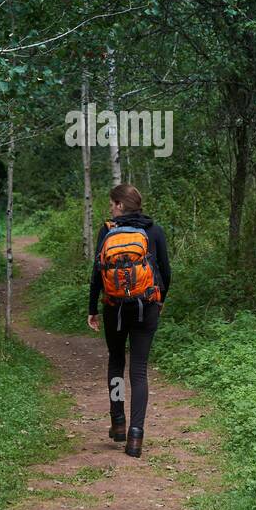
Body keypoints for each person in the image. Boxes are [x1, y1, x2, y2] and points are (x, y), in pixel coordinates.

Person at [87, 183, 170, 458]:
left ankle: (118, 421)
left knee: (116, 361)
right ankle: (136, 437)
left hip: (114, 309)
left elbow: (98, 273)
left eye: (112, 203)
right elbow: (166, 272)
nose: (110, 208)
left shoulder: (108, 230)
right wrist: (159, 301)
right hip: (146, 307)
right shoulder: (153, 230)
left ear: (121, 205)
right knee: (139, 370)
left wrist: (93, 308)